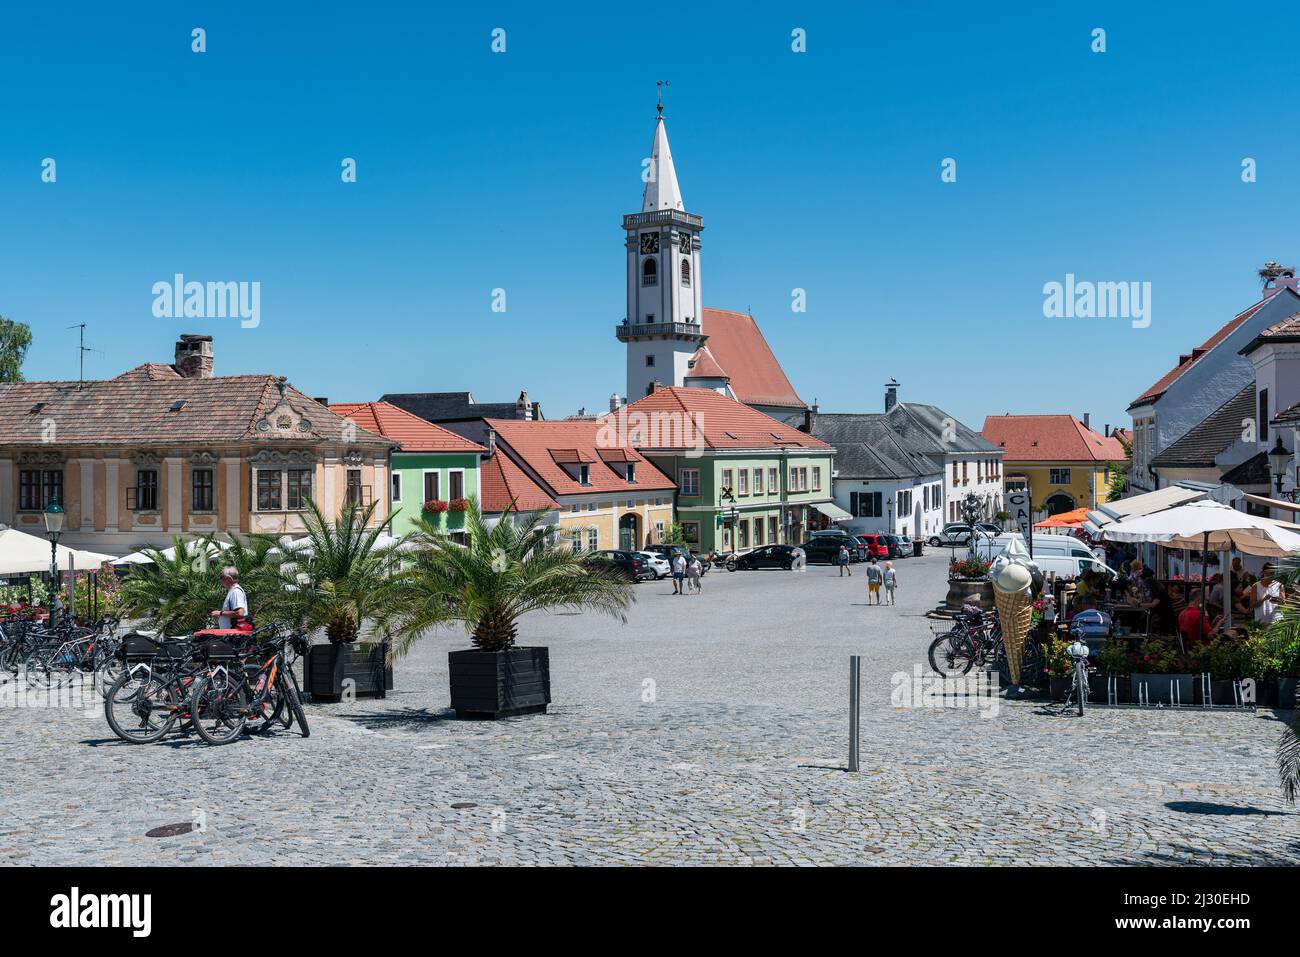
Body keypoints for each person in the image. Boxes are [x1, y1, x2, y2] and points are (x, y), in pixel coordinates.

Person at [211, 566, 250, 631]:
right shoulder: (232, 591)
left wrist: (220, 613)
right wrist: (222, 616)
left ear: (228, 578)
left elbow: (240, 613)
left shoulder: (236, 591)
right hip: (231, 633)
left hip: (234, 635)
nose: (220, 580)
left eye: (221, 577)